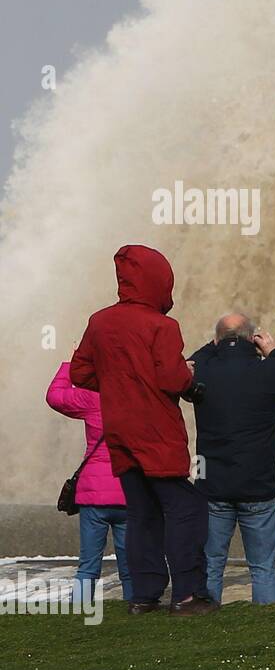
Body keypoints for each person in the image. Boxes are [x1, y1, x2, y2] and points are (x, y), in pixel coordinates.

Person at [70, 245, 215, 615]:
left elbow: (80, 374)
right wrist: (189, 379)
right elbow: (170, 377)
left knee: (142, 512)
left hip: (120, 431)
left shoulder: (99, 321)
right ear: (158, 282)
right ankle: (187, 595)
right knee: (187, 508)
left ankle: (143, 597)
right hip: (155, 431)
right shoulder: (162, 326)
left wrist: (121, 384)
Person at [190, 313, 275, 603]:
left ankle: (206, 625)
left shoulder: (204, 373)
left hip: (214, 488)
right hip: (259, 488)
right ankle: (267, 627)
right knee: (263, 568)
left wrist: (215, 345)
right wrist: (274, 352)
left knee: (210, 566)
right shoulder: (269, 371)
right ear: (253, 339)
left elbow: (185, 367)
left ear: (217, 340)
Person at [46, 361, 134, 603]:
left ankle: (80, 608)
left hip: (93, 495)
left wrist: (69, 363)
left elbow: (55, 396)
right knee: (129, 566)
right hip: (127, 491)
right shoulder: (137, 400)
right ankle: (134, 608)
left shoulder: (93, 398)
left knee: (88, 564)